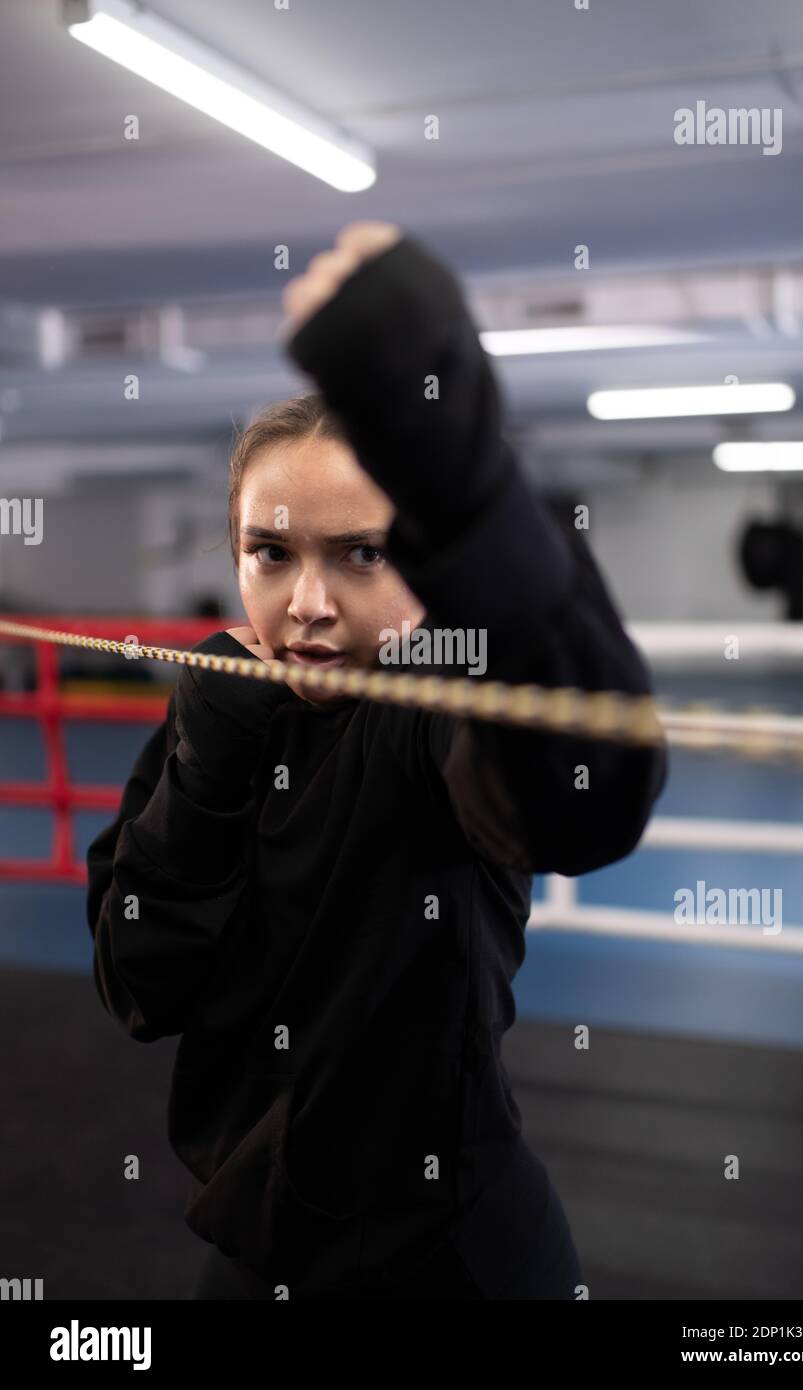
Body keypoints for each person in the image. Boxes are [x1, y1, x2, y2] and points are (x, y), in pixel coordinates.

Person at [86, 222, 668, 1300]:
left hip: (449, 1251)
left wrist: (465, 483)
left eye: (361, 554)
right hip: (259, 1235)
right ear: (235, 556)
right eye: (271, 554)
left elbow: (588, 798)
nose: (307, 604)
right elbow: (140, 982)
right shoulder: (219, 707)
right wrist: (211, 764)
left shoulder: (433, 710)